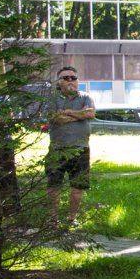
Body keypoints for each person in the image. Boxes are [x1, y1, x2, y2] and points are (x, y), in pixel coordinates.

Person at [43, 65, 95, 229]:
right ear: (59, 82)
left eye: (73, 78)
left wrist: (66, 112)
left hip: (81, 149)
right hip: (58, 149)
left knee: (77, 186)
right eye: (66, 78)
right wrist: (79, 114)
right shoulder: (52, 99)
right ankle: (53, 219)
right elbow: (54, 118)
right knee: (54, 185)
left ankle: (72, 219)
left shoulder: (86, 97)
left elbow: (90, 114)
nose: (70, 81)